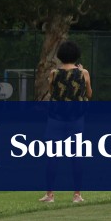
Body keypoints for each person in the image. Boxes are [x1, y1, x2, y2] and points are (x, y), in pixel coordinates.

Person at [40, 40, 91, 204]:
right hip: (76, 119)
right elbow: (89, 94)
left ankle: (49, 194)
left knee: (52, 157)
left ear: (60, 56)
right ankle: (77, 195)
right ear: (76, 55)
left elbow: (52, 92)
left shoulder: (54, 74)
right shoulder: (83, 73)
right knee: (76, 157)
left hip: (56, 119)